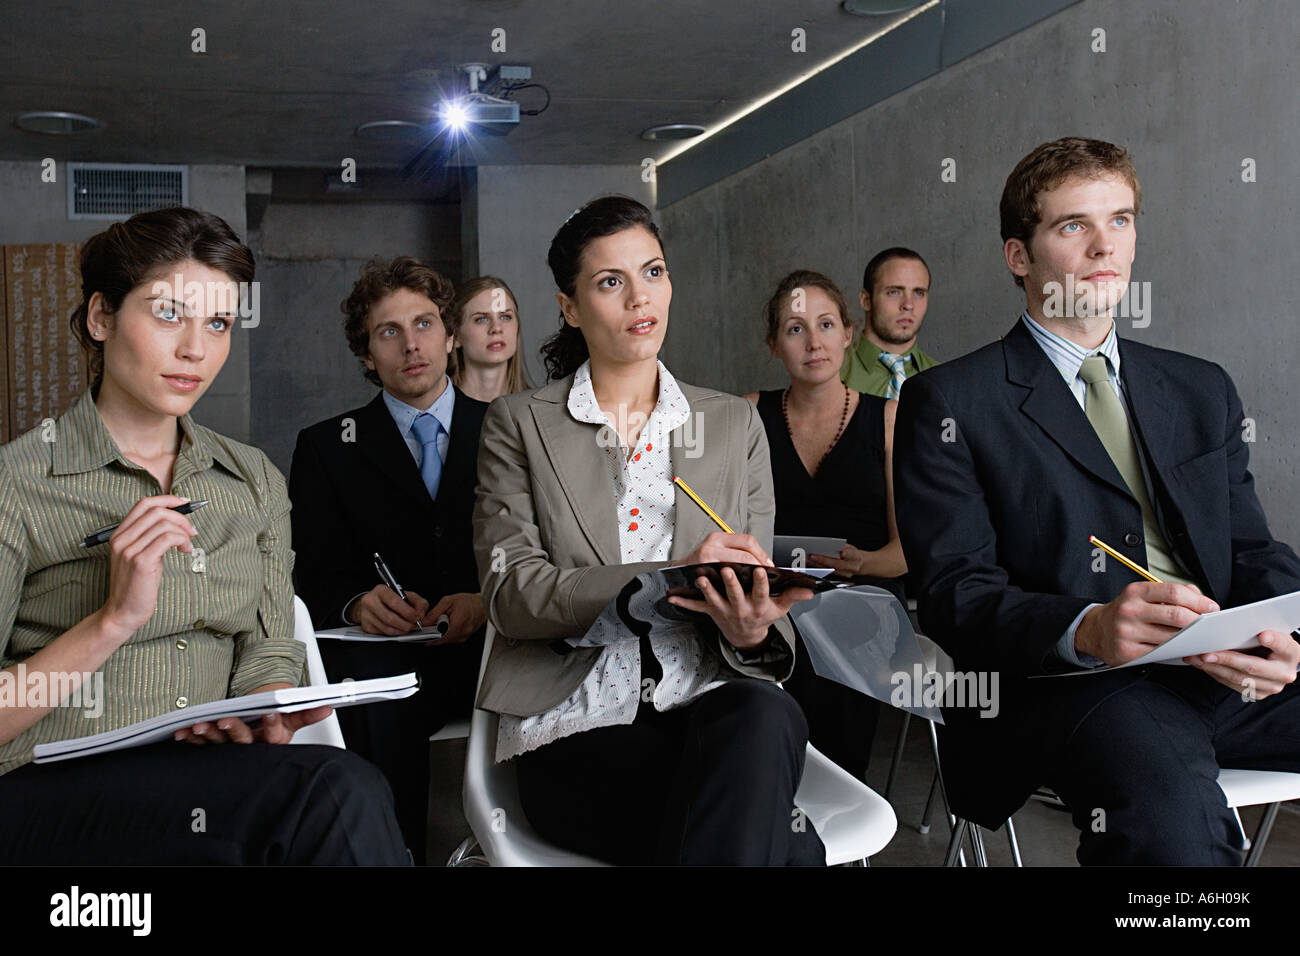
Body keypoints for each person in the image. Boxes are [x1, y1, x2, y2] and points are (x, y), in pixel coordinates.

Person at [893, 136, 1300, 865]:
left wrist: (1278, 638)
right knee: (1174, 830)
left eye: (1120, 220)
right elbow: (956, 593)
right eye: (1073, 225)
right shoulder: (950, 401)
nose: (1103, 245)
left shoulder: (1201, 388)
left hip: (1225, 664)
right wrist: (1087, 628)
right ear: (1020, 256)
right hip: (1080, 685)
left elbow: (1251, 551)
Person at [0, 207, 407, 865]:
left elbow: (272, 650)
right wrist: (112, 619)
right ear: (101, 317)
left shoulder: (252, 481)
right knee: (334, 795)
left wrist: (255, 714)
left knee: (324, 797)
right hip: (41, 793)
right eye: (168, 315)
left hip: (204, 781)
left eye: (218, 323)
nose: (196, 348)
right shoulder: (17, 484)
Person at [473, 195, 824, 865]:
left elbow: (758, 610)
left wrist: (750, 627)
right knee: (788, 846)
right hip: (576, 727)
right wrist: (662, 584)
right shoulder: (519, 425)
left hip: (711, 707)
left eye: (653, 272)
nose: (641, 298)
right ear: (571, 308)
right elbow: (512, 594)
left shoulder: (732, 425)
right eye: (612, 282)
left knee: (766, 714)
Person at [289, 256, 488, 865]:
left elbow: (553, 551)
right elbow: (305, 569)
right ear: (367, 354)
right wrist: (354, 600)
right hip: (386, 660)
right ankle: (389, 854)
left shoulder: (512, 428)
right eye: (388, 332)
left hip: (495, 647)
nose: (411, 345)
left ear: (452, 337)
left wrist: (488, 601)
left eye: (425, 324)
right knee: (369, 695)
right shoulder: (326, 446)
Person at [744, 269, 906, 779]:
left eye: (826, 324)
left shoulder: (890, 418)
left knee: (827, 636)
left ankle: (827, 806)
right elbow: (725, 524)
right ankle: (770, 798)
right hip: (772, 589)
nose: (814, 342)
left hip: (863, 592)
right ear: (774, 345)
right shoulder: (749, 413)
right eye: (795, 329)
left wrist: (866, 561)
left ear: (848, 332)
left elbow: (909, 550)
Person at [841, 247, 938, 398]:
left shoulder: (942, 380)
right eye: (894, 292)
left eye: (919, 293)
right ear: (866, 300)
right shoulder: (832, 372)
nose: (908, 305)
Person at [448, 275, 532, 403]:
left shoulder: (538, 411)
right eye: (481, 319)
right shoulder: (438, 412)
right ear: (456, 336)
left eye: (505, 317)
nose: (496, 328)